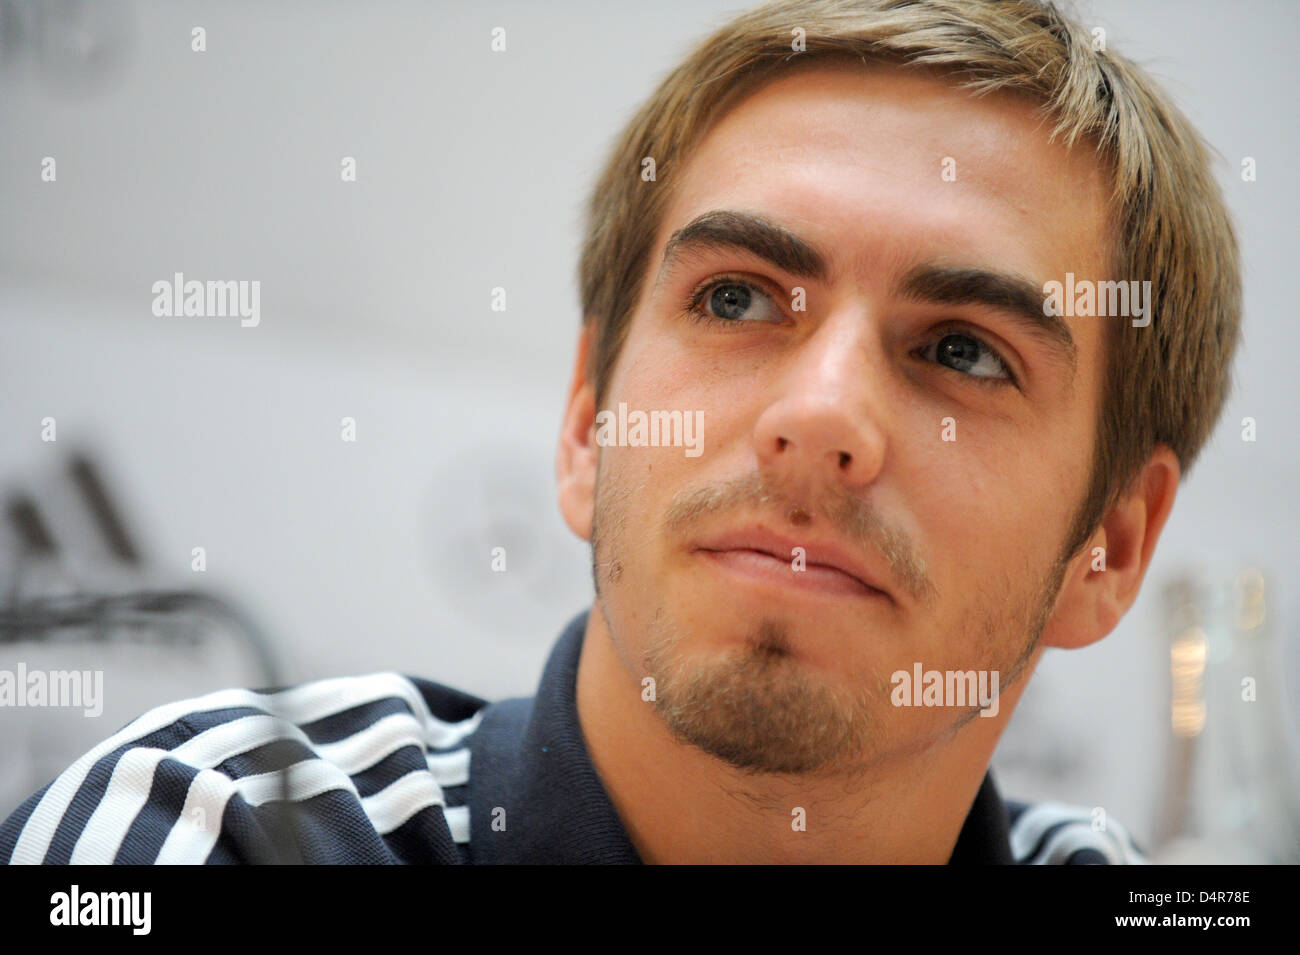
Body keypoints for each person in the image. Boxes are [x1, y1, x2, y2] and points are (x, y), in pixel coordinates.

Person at [2, 0, 1239, 864]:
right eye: (737, 298)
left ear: (1113, 548)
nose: (819, 418)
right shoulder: (204, 838)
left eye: (962, 349)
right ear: (588, 423)